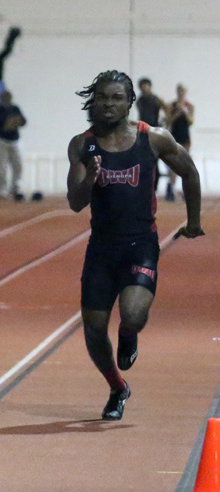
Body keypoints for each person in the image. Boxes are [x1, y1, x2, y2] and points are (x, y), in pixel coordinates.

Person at [66, 70, 204, 421]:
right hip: (101, 248)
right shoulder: (83, 145)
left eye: (116, 98)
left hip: (140, 243)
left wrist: (193, 221)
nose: (108, 104)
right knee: (94, 329)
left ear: (130, 103)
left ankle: (129, 334)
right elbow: (75, 202)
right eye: (102, 97)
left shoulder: (152, 139)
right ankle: (117, 387)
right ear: (93, 101)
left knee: (133, 315)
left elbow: (188, 172)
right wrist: (91, 179)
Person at [166, 83, 195, 202]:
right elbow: (168, 121)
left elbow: (191, 121)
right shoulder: (171, 105)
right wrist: (176, 114)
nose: (181, 93)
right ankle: (171, 189)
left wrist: (184, 112)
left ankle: (186, 189)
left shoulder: (189, 106)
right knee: (173, 164)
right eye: (179, 90)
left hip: (185, 137)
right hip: (174, 136)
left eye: (183, 91)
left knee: (185, 163)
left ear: (185, 92)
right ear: (176, 91)